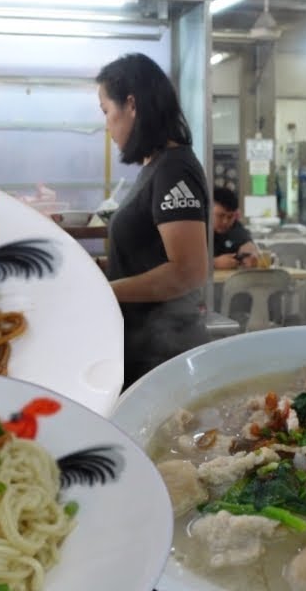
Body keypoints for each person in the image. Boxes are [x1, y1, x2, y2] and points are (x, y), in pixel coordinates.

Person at [98, 53, 210, 388]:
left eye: (106, 110)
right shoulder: (157, 167)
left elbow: (188, 271)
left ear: (131, 104)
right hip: (144, 348)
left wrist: (104, 291)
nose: (106, 125)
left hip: (163, 356)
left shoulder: (174, 169)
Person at [212, 186, 258, 270]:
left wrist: (250, 255)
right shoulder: (197, 229)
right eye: (220, 215)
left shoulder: (236, 228)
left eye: (230, 217)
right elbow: (183, 262)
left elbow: (247, 245)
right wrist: (213, 263)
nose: (225, 221)